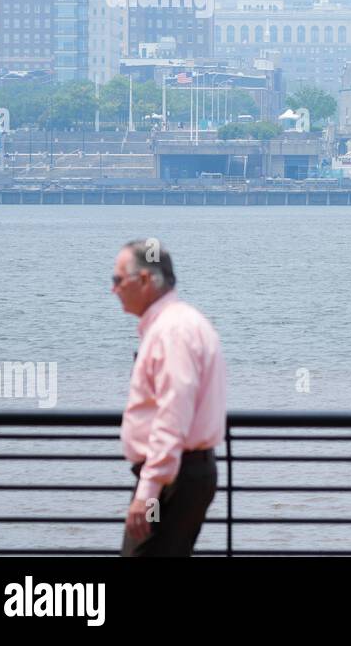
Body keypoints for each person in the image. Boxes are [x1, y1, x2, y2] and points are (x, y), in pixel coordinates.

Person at [111, 238, 227, 556]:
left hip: (170, 479)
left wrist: (148, 491)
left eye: (118, 280)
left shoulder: (171, 331)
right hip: (180, 474)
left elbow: (173, 412)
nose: (113, 289)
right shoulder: (181, 322)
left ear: (145, 280)